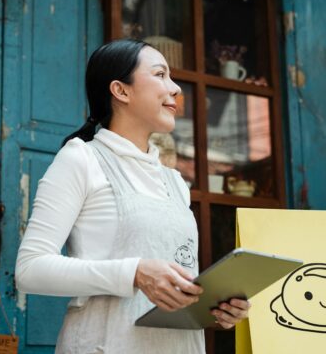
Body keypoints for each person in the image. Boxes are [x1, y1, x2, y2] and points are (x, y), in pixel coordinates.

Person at [15, 39, 250, 354]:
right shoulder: (81, 159)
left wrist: (212, 311)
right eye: (160, 74)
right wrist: (135, 273)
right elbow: (30, 270)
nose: (176, 88)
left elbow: (171, 289)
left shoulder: (175, 182)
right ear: (120, 91)